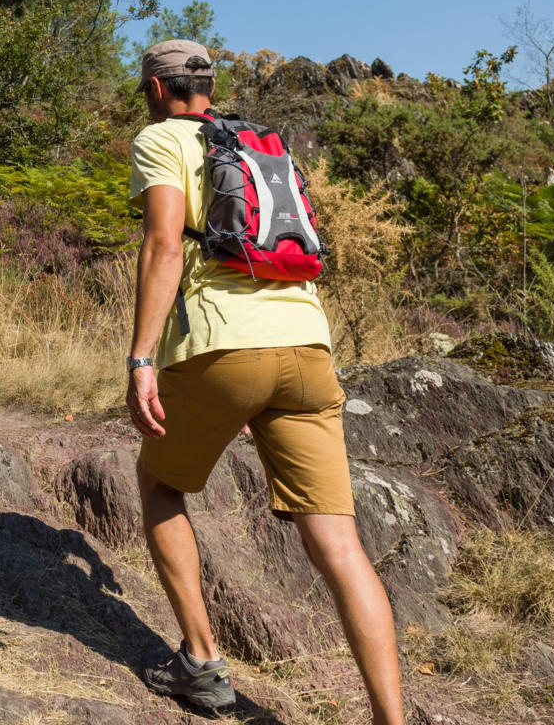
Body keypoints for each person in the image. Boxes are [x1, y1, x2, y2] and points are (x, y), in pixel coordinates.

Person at [124, 40, 402, 721]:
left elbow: (164, 243)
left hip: (223, 344)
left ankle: (201, 660)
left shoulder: (160, 139)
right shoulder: (260, 140)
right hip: (307, 344)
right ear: (208, 86)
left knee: (160, 483)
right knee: (339, 543)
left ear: (158, 90)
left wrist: (140, 359)